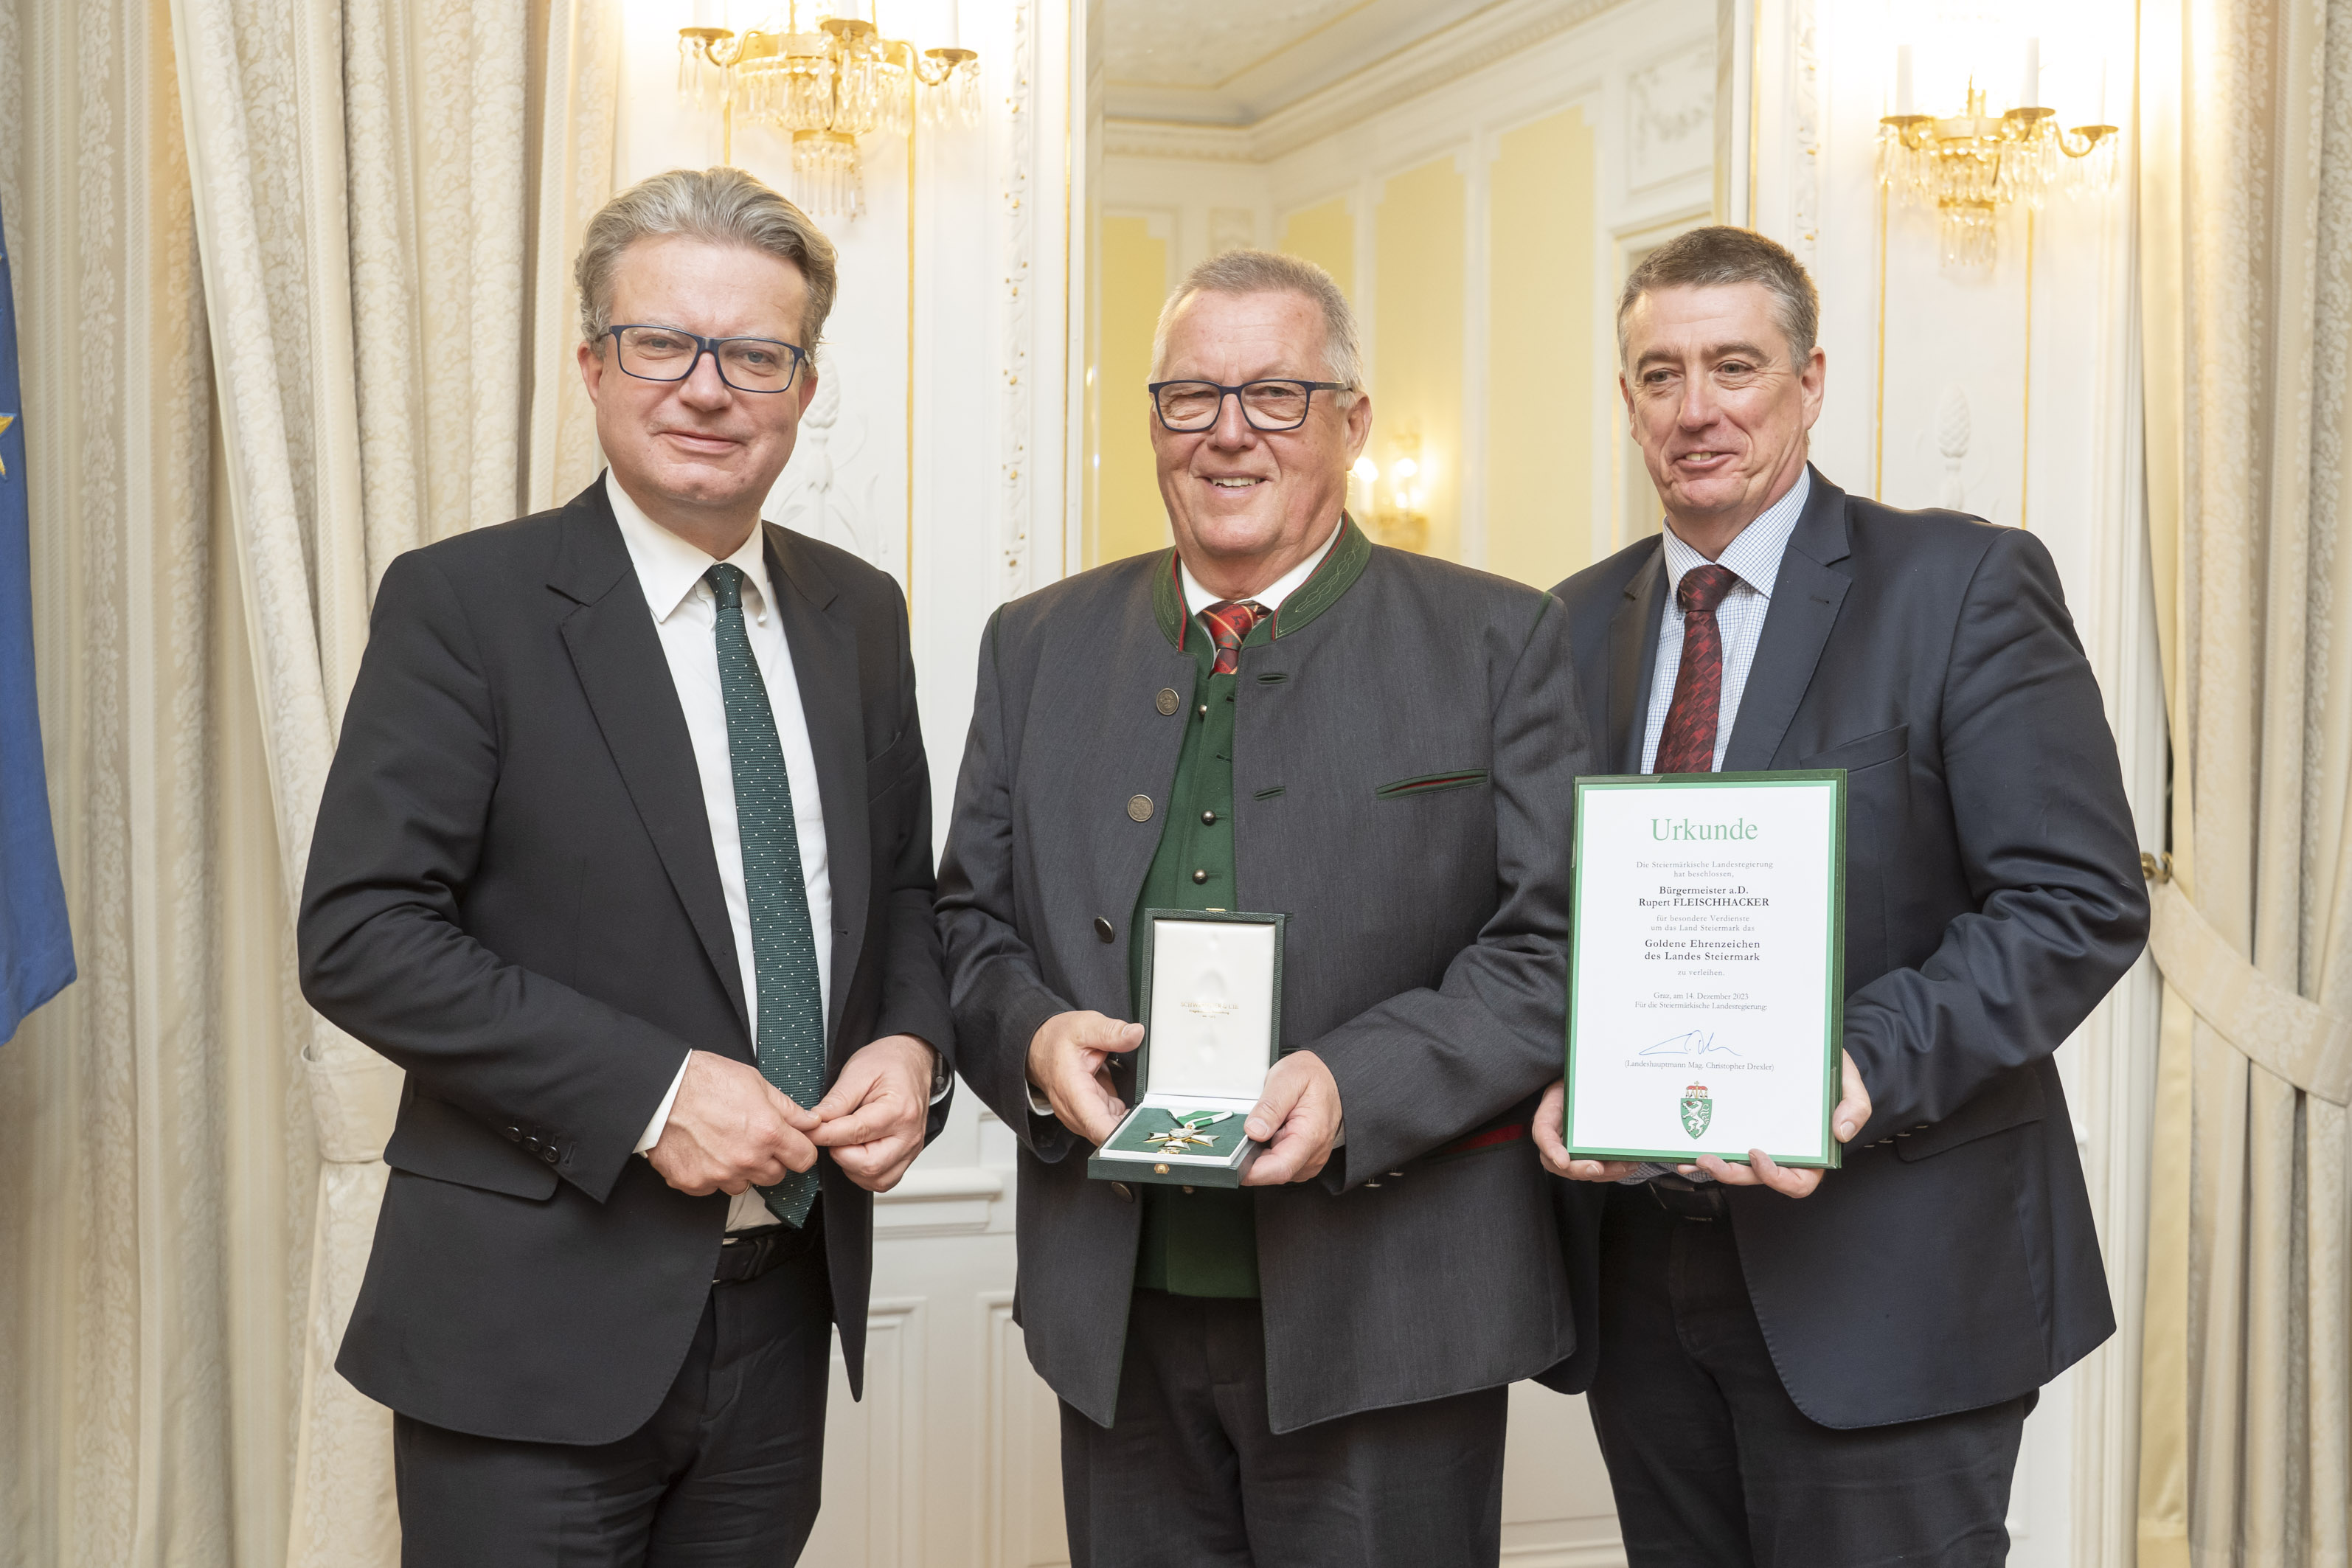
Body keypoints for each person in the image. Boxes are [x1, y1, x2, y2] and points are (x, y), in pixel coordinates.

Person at [298, 167, 954, 1566]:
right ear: (593, 365)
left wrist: (913, 1043)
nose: (707, 387)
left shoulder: (860, 614)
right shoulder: (465, 603)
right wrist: (652, 1094)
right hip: (527, 1332)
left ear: (803, 382)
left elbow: (899, 889)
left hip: (781, 1314)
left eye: (754, 353)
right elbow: (361, 932)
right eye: (663, 342)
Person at [937, 249, 1598, 1567]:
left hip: (1394, 1311)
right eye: (1191, 395)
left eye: (1277, 394)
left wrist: (1357, 1082)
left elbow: (1555, 946)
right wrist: (1023, 1036)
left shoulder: (1496, 638)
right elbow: (967, 918)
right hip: (1112, 1309)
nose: (1228, 430)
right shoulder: (1036, 641)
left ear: (1350, 423)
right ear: (1152, 424)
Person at [1536, 226, 2148, 1566]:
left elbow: (2077, 898)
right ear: (1626, 399)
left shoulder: (1957, 584)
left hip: (1890, 1280)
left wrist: (1855, 1061)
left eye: (1733, 366)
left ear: (1809, 382)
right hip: (1641, 1278)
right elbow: (1539, 916)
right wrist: (1552, 1061)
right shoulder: (1571, 624)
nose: (1695, 408)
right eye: (1658, 374)